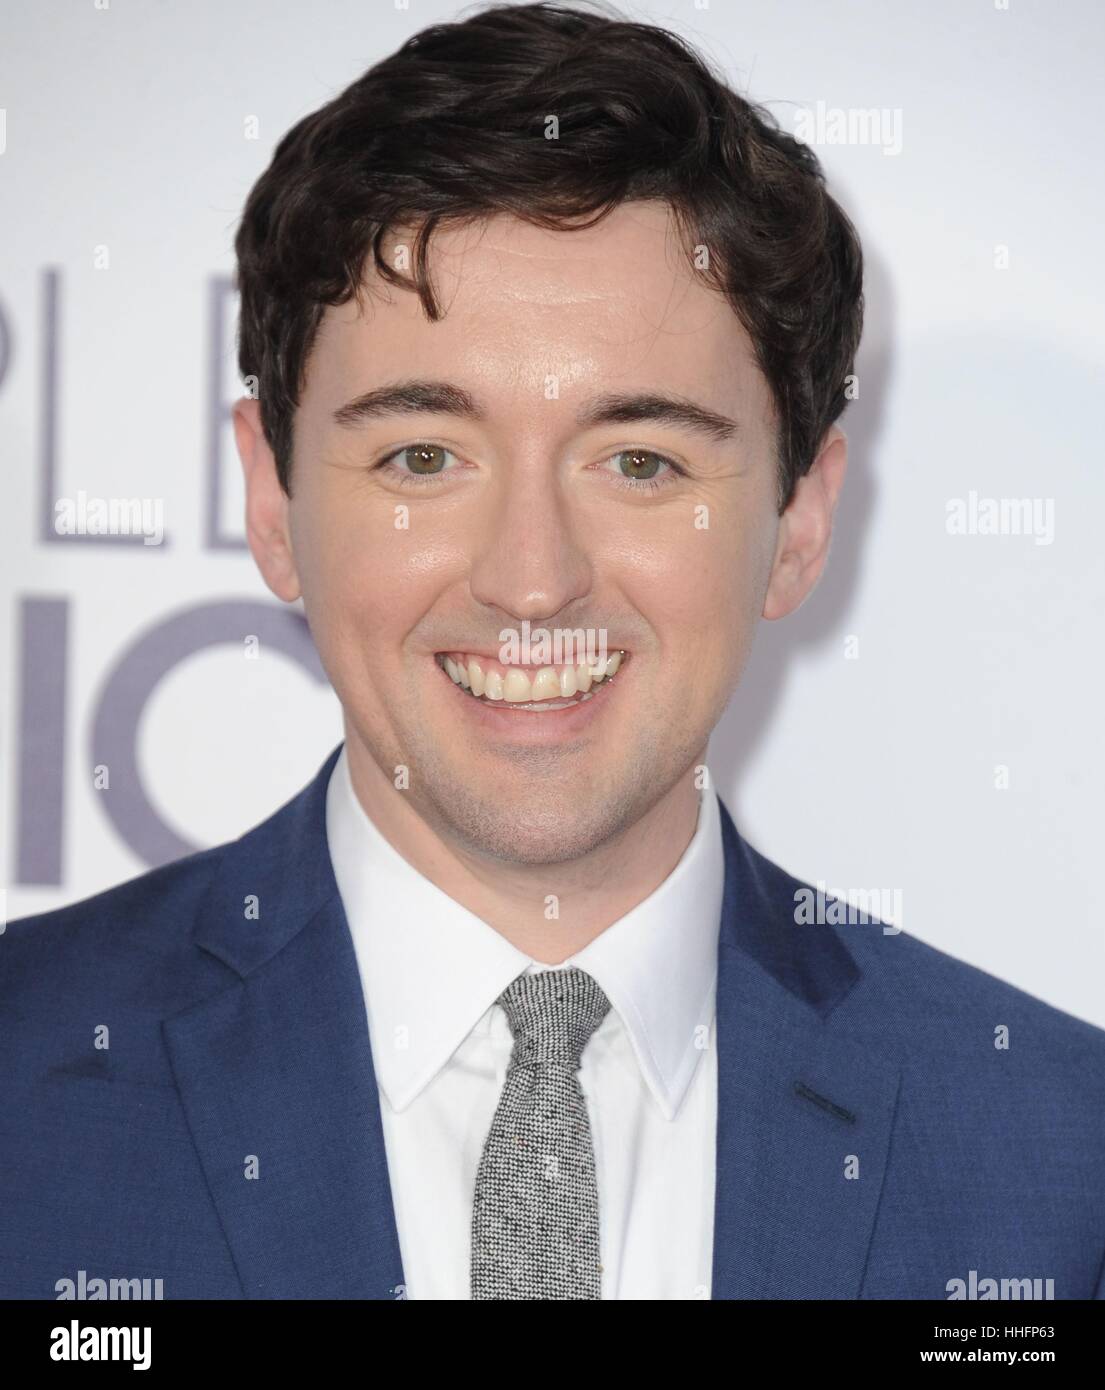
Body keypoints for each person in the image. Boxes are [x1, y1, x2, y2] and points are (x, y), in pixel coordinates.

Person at [4, 1, 1104, 1301]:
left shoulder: (1059, 1164)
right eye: (424, 455)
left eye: (639, 462)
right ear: (270, 501)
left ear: (800, 521)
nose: (531, 578)